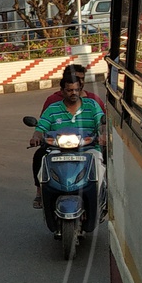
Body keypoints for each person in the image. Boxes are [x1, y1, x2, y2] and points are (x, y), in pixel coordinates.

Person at [30, 67, 104, 206]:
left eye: (76, 90)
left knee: (99, 165)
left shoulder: (92, 105)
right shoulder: (52, 109)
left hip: (88, 148)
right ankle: (43, 195)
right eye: (69, 90)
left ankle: (98, 198)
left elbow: (101, 123)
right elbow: (41, 128)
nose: (73, 93)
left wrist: (103, 135)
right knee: (42, 160)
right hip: (57, 149)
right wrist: (36, 137)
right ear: (62, 91)